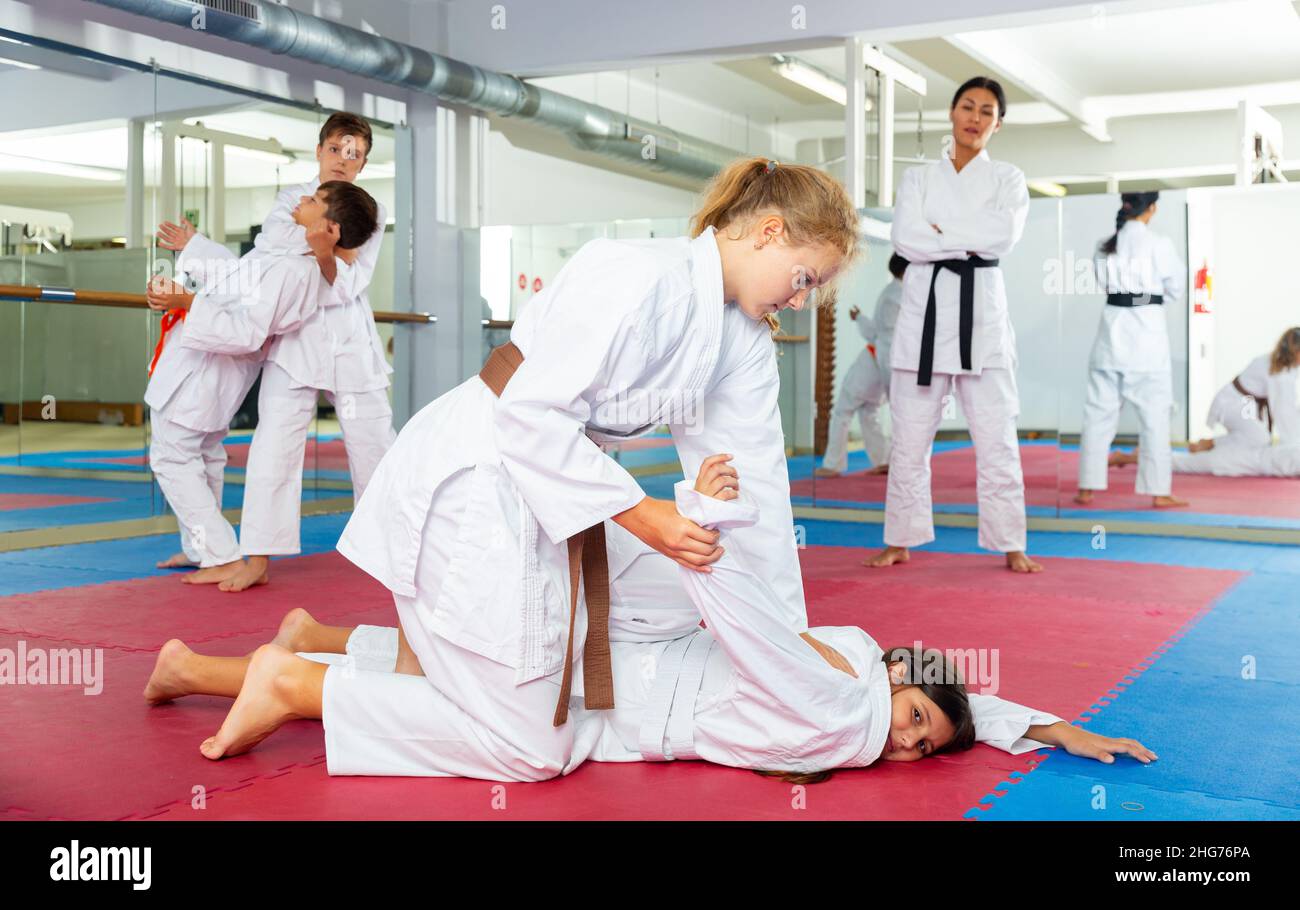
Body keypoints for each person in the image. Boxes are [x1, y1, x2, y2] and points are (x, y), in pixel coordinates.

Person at [144, 452, 1156, 780]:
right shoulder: (845, 697)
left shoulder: (860, 666)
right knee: (514, 739)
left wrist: (1058, 726)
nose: (899, 744)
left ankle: (275, 650)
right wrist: (698, 527)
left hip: (634, 645)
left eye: (916, 742)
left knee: (509, 671)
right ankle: (303, 682)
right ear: (896, 679)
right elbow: (820, 675)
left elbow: (958, 695)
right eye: (912, 723)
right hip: (626, 688)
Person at [176, 112, 395, 591]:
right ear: (319, 151)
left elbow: (349, 283)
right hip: (294, 339)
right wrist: (329, 247)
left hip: (350, 344)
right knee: (273, 446)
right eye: (336, 148)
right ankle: (257, 557)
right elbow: (270, 249)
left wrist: (325, 251)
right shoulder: (290, 200)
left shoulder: (370, 212)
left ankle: (390, 551)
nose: (343, 159)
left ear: (363, 163)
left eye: (354, 153)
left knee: (374, 447)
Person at [144, 182, 375, 580]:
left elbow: (247, 332)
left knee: (172, 454)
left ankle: (220, 554)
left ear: (331, 229)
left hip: (212, 367)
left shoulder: (296, 271)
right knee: (204, 454)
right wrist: (195, 245)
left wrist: (188, 302)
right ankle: (202, 547)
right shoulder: (290, 256)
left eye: (315, 201)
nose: (302, 201)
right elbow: (238, 275)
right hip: (211, 366)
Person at [867, 77, 1041, 574]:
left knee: (997, 438)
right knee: (909, 440)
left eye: (987, 111)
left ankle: (1012, 543)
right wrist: (965, 239)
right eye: (968, 106)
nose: (975, 116)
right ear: (951, 113)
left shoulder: (1008, 177)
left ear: (997, 124)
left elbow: (1003, 236)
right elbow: (905, 238)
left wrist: (939, 234)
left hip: (982, 323)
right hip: (923, 325)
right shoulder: (919, 178)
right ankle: (899, 538)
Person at [1075, 191, 1188, 508]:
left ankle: (1087, 487)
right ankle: (1159, 491)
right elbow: (1176, 287)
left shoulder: (1104, 245)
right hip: (1147, 341)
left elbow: (1102, 282)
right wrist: (1152, 294)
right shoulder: (1159, 244)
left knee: (1097, 416)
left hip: (1110, 336)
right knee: (1155, 419)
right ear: (1151, 209)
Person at [1114, 327, 1300, 477]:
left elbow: (1287, 409)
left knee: (1254, 441)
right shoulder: (1280, 372)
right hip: (1234, 404)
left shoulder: (1275, 363)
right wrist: (1291, 447)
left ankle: (1209, 444)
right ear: (1296, 351)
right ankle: (1207, 445)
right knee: (1260, 438)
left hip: (1240, 407)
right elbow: (1284, 412)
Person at [815, 253, 907, 477]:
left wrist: (859, 319)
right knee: (870, 411)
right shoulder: (905, 294)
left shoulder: (892, 293)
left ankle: (832, 464)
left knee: (844, 410)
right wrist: (860, 319)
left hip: (877, 359)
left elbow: (877, 333)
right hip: (891, 361)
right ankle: (884, 459)